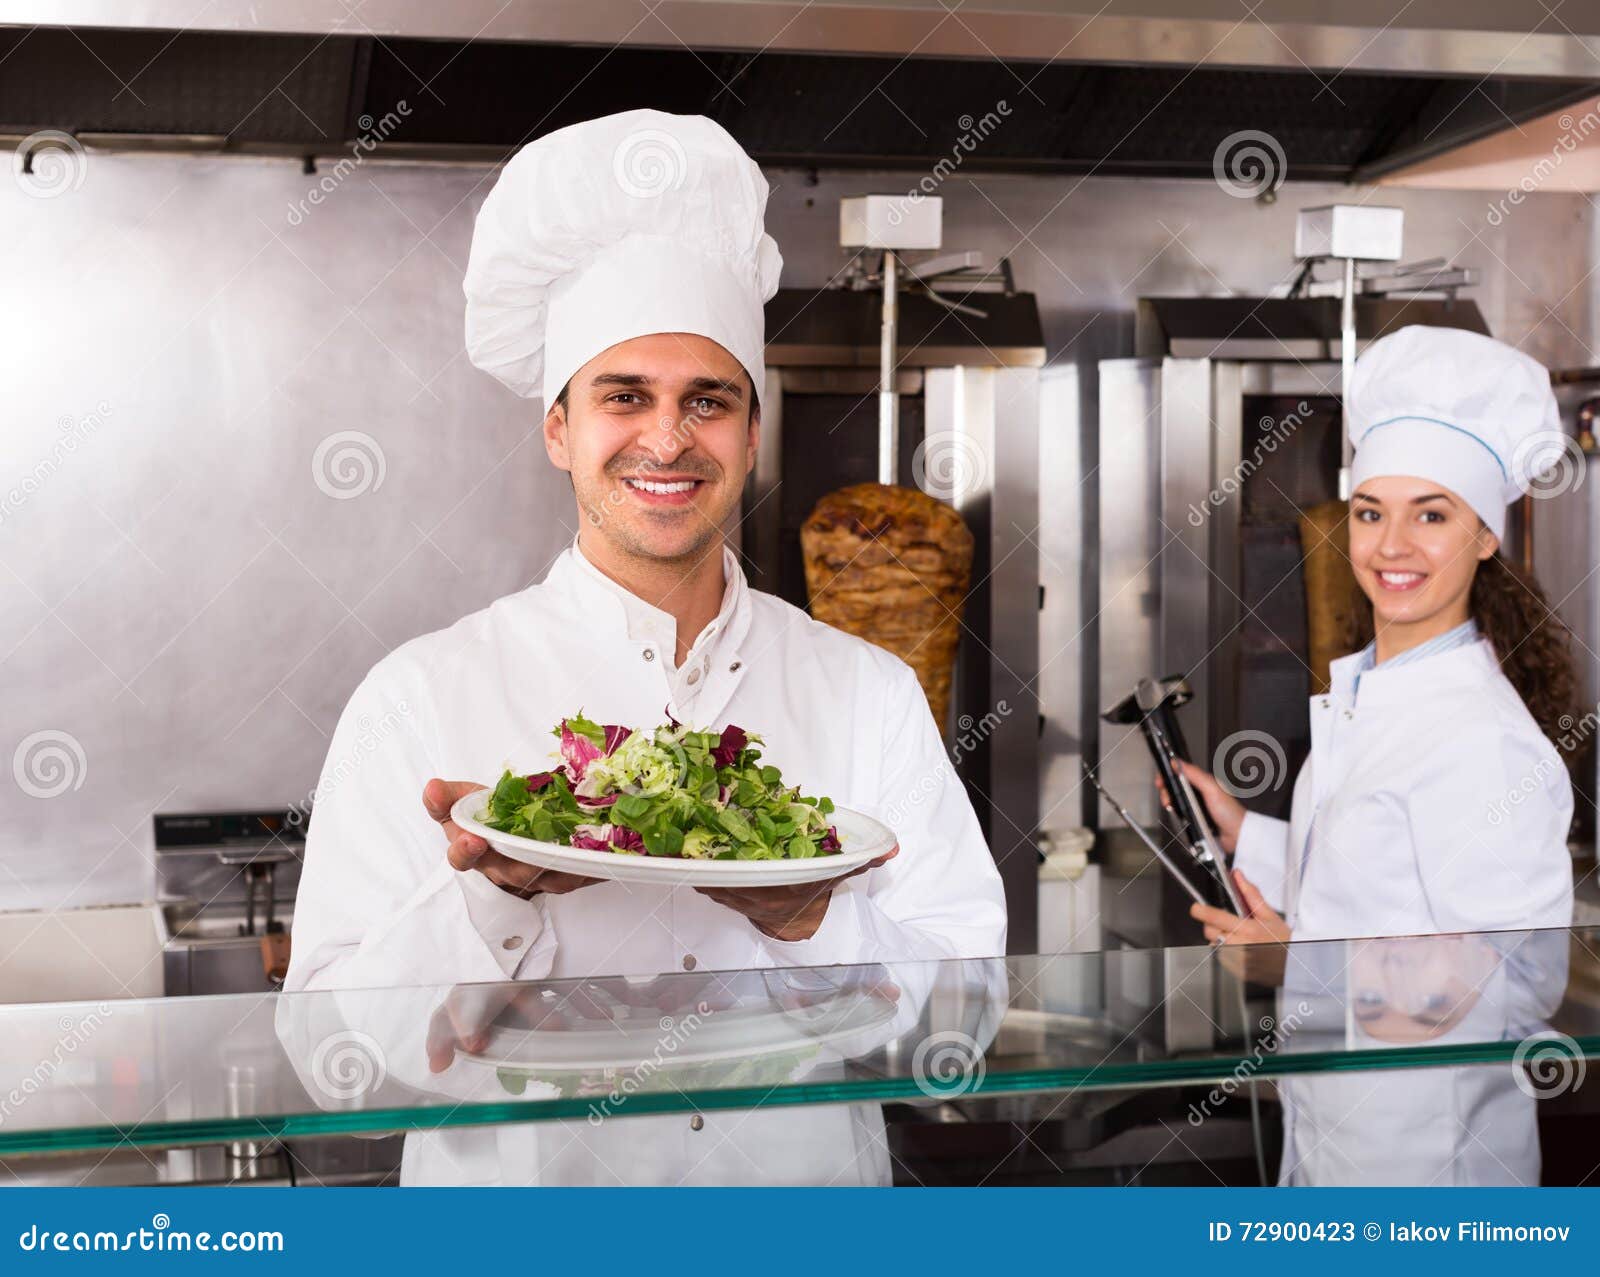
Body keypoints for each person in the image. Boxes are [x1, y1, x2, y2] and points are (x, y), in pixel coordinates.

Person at [282, 109, 1007, 1186]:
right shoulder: (421, 695)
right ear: (559, 427)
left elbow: (961, 1036)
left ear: (751, 433)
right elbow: (334, 1064)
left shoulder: (866, 690)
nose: (666, 439)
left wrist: (817, 915)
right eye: (624, 396)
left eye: (706, 401)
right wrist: (493, 897)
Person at [1172, 324, 1577, 1183]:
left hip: (1437, 1172)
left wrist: (1301, 959)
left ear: (1484, 536)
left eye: (1431, 514)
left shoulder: (1490, 741)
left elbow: (1522, 985)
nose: (1392, 545)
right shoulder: (1370, 697)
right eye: (1370, 512)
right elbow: (1377, 882)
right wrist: (1249, 834)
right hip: (1338, 1144)